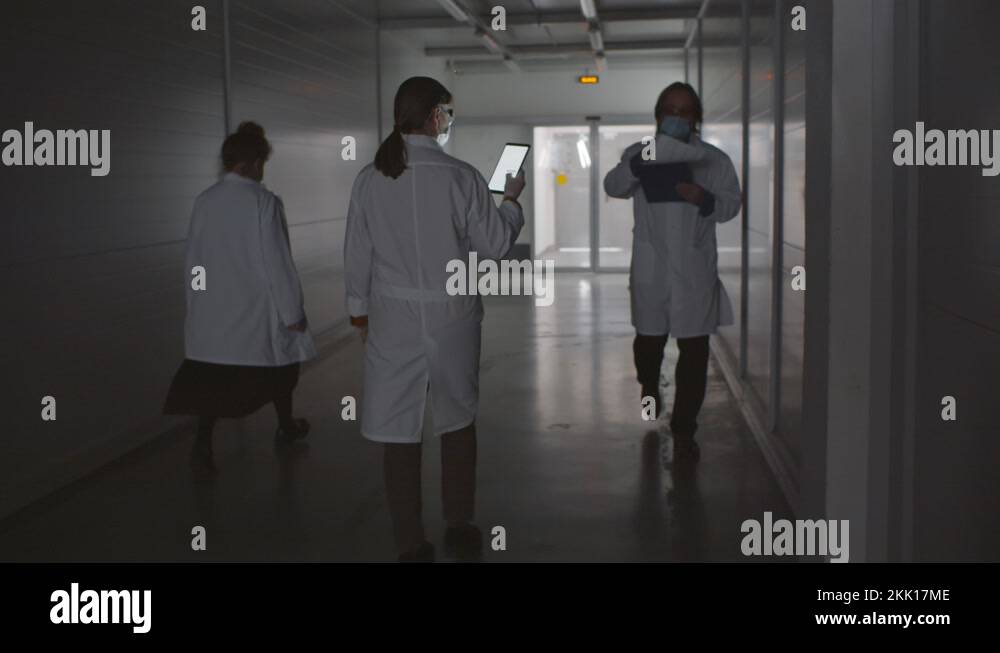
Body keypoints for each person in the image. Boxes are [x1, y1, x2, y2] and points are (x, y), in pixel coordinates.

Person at [344, 77, 525, 562]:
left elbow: (357, 253)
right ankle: (460, 523)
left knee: (398, 430)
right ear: (435, 116)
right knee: (457, 420)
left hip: (393, 318)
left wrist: (358, 313)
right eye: (447, 111)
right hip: (452, 316)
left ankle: (410, 543)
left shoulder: (369, 178)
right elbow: (496, 245)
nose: (448, 119)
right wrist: (510, 202)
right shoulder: (461, 176)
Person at [164, 121, 316, 473]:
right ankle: (286, 424)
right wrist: (293, 312)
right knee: (282, 367)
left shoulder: (204, 201)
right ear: (251, 163)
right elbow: (279, 263)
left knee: (211, 378)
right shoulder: (264, 203)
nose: (263, 171)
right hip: (255, 307)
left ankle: (203, 443)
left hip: (212, 308)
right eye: (262, 163)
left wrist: (195, 305)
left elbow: (193, 259)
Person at [603, 82, 741, 458]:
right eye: (670, 109)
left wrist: (704, 198)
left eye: (684, 111)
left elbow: (731, 205)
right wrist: (635, 165)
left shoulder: (713, 159)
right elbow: (613, 185)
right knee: (648, 342)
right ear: (658, 115)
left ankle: (684, 425)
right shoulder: (641, 152)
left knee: (694, 349)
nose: (676, 117)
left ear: (696, 117)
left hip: (694, 270)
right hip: (652, 268)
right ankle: (649, 385)